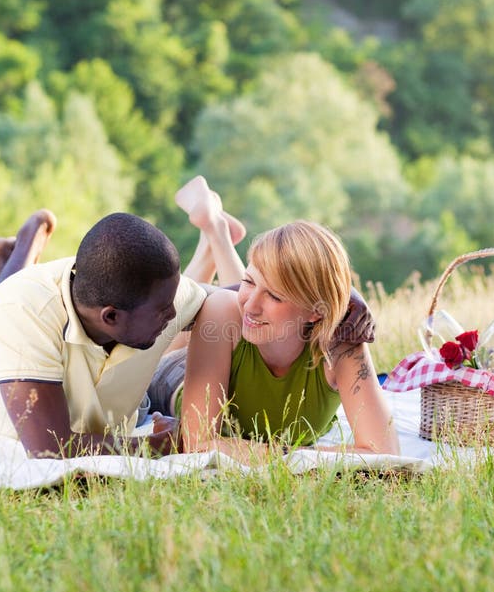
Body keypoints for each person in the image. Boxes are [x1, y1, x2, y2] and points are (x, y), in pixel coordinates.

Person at [0, 180, 376, 460]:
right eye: (163, 312)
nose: (177, 316)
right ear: (111, 317)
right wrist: (152, 447)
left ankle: (17, 258)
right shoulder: (22, 314)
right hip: (14, 320)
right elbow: (49, 448)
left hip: (82, 328)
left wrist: (342, 298)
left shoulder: (167, 303)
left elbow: (232, 297)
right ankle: (19, 256)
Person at [149, 196, 399, 462]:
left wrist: (264, 452)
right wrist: (298, 456)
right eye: (248, 281)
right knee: (202, 309)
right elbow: (198, 444)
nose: (251, 305)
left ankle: (216, 234)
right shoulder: (224, 310)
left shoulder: (340, 340)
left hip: (246, 341)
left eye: (276, 296)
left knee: (244, 311)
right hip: (176, 374)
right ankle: (215, 235)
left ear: (316, 311)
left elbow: (384, 452)